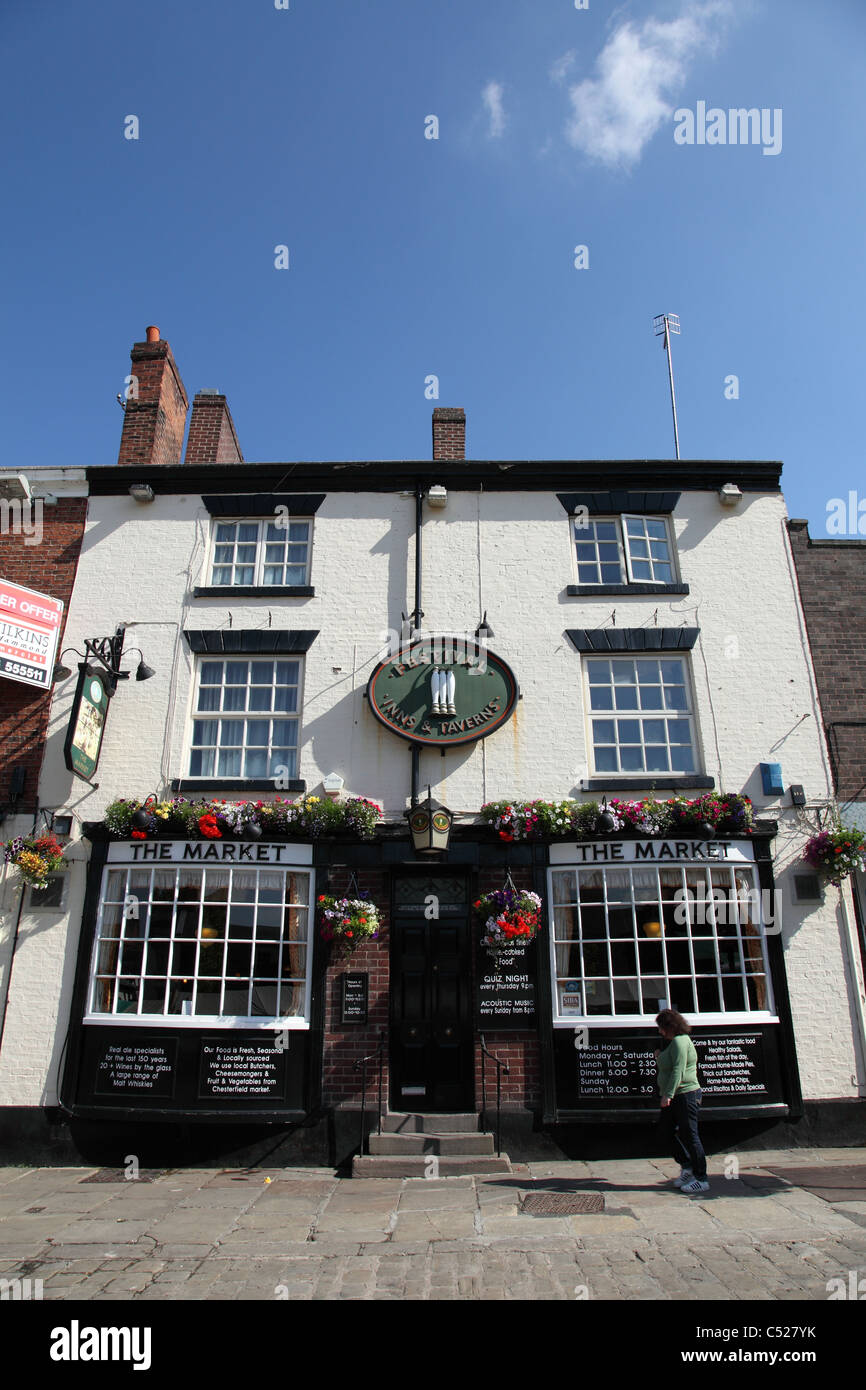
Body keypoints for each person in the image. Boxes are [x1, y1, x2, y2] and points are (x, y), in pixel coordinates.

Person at [655, 1008, 709, 1194]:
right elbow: (669, 1065)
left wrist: (667, 1095)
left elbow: (678, 1070)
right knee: (664, 1132)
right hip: (677, 1095)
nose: (660, 1031)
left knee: (690, 1135)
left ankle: (701, 1178)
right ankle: (687, 1166)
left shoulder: (679, 1042)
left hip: (685, 1094)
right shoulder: (674, 1043)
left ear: (670, 1027)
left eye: (661, 1027)